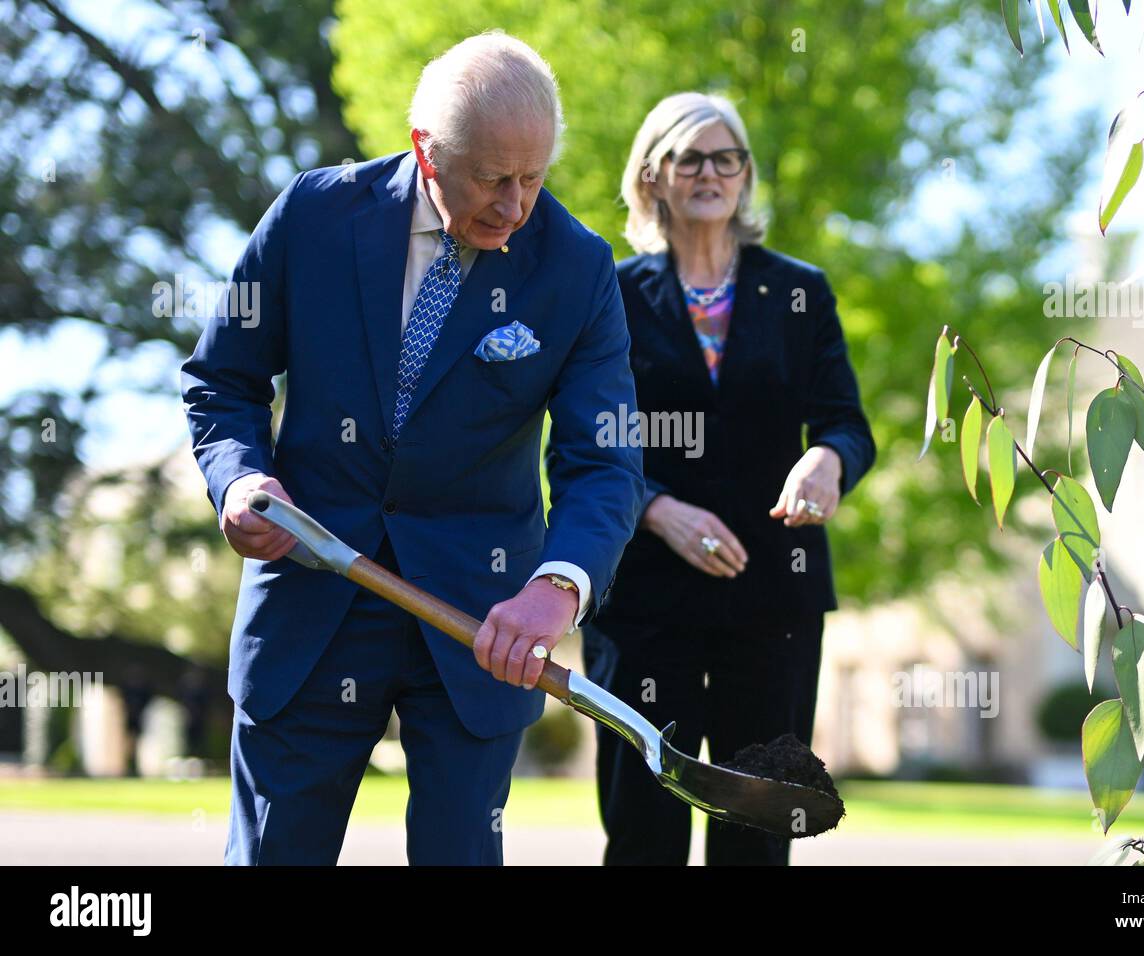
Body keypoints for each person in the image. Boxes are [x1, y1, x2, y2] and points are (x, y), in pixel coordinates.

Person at [180, 32, 643, 865]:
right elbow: (223, 382)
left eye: (533, 178)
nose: (514, 206)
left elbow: (603, 461)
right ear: (426, 147)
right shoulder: (312, 216)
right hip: (308, 607)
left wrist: (556, 588)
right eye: (493, 179)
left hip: (482, 628)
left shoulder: (577, 268)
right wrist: (240, 479)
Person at [580, 92, 875, 865]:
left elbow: (847, 422)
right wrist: (656, 507)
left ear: (745, 176)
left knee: (758, 829)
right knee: (643, 829)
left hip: (773, 600)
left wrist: (827, 459)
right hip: (643, 603)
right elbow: (581, 437)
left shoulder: (800, 291)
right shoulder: (606, 292)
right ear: (653, 177)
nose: (710, 172)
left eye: (727, 157)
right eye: (689, 157)